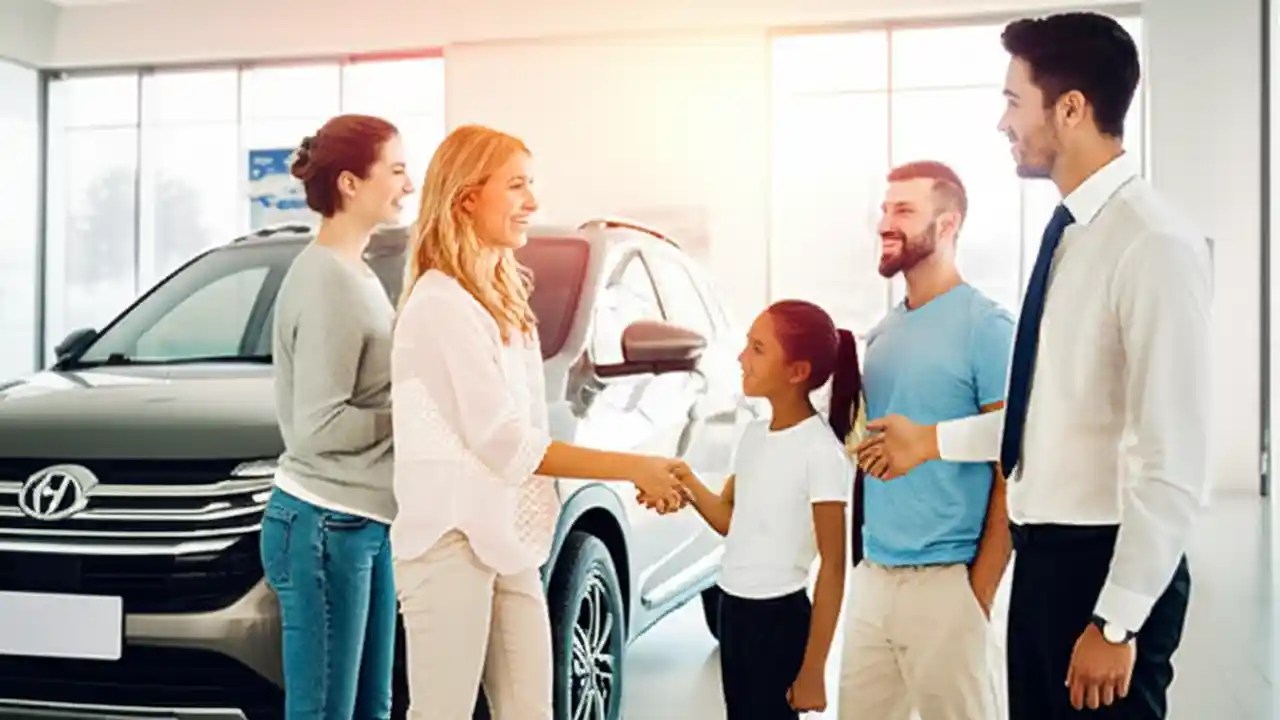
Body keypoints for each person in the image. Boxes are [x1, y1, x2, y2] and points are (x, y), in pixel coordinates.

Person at [856, 12, 1213, 719]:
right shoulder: (1075, 237)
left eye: (1014, 101)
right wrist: (931, 441)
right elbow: (1050, 417)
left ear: (1072, 109)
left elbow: (1174, 459)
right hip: (1046, 562)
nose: (1002, 123)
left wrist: (1117, 621)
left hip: (1100, 568)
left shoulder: (1153, 244)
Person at [389, 124, 689, 720]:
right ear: (468, 197)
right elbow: (503, 442)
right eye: (517, 186)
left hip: (508, 540)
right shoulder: (440, 304)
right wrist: (636, 469)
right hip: (450, 543)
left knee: (531, 710)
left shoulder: (502, 299)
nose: (533, 202)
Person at [836, 161, 1013, 720]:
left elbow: (1012, 462)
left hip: (948, 584)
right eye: (885, 210)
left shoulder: (986, 327)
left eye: (904, 211)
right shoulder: (883, 335)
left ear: (948, 224)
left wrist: (977, 592)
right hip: (873, 581)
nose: (885, 222)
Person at [261, 114, 413, 720]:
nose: (408, 183)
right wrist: (411, 416)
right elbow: (318, 429)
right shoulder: (328, 280)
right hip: (325, 525)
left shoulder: (356, 270)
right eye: (397, 170)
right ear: (351, 183)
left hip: (361, 520)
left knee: (371, 710)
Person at [676, 299, 856, 720]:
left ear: (797, 372)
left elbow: (833, 567)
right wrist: (684, 479)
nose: (742, 357)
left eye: (757, 348)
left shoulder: (820, 452)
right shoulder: (754, 437)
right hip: (732, 611)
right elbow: (729, 523)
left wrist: (813, 670)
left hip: (777, 620)